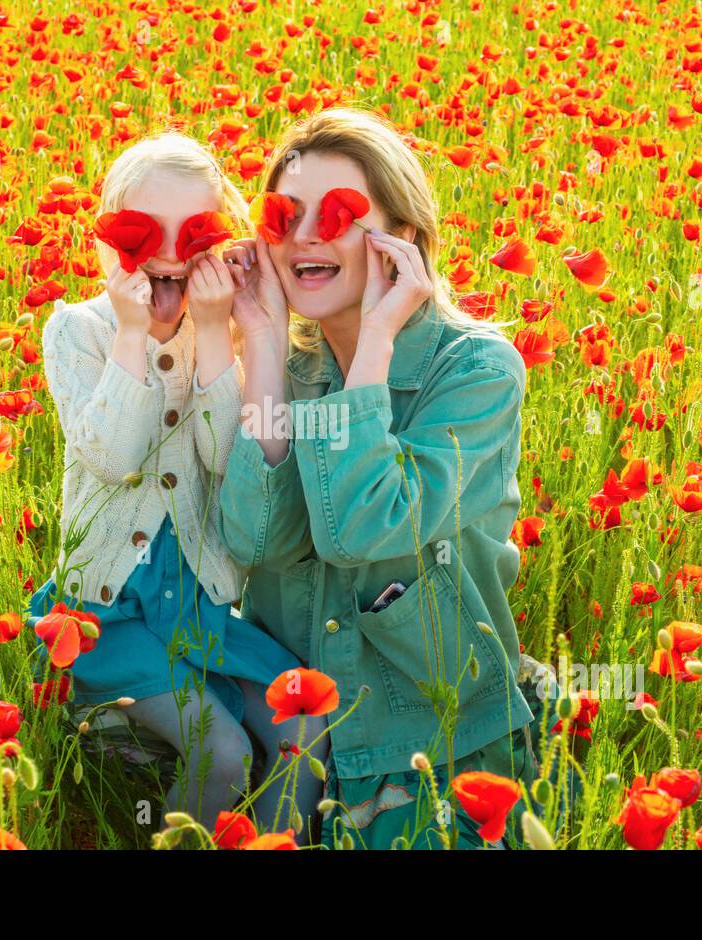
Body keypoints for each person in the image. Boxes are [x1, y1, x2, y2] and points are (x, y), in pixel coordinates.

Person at [220, 108, 563, 849]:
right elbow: (256, 537)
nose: (306, 235)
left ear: (399, 240)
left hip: (432, 737)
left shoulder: (474, 369)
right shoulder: (292, 372)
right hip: (299, 742)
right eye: (284, 216)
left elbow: (366, 527)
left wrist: (374, 340)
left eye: (339, 214)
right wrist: (265, 345)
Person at [31, 131, 327, 839]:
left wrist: (215, 332)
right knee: (221, 750)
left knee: (306, 727)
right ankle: (119, 734)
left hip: (204, 605)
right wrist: (134, 334)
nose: (167, 254)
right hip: (112, 615)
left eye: (192, 235)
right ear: (107, 241)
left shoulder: (215, 332)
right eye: (140, 234)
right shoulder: (76, 332)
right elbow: (112, 456)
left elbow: (229, 461)